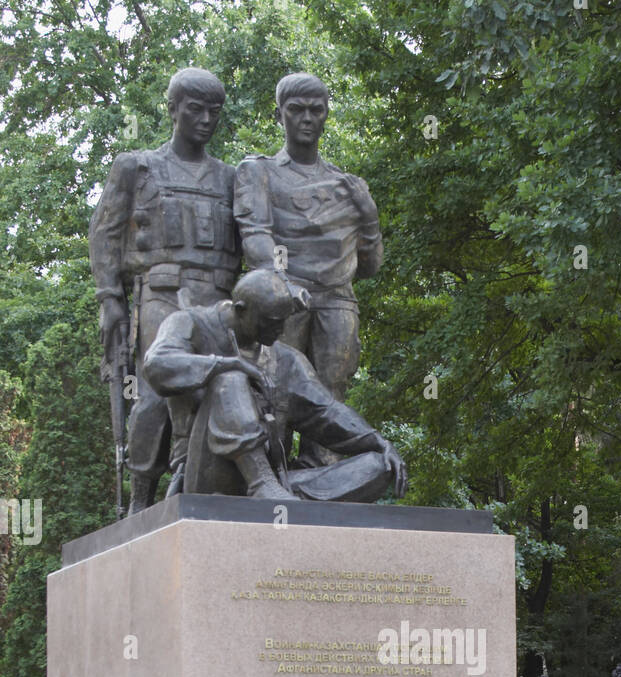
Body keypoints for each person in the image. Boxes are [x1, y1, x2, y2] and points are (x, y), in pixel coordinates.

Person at [89, 67, 240, 513]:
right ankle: (141, 498)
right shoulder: (137, 168)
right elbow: (104, 233)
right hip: (160, 294)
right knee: (159, 386)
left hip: (218, 300)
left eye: (215, 111)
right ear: (173, 109)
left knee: (221, 385)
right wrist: (109, 298)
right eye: (196, 109)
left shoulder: (232, 177)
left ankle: (199, 480)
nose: (206, 119)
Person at [142, 269, 407, 504]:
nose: (279, 330)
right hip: (209, 479)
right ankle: (260, 485)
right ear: (241, 309)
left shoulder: (286, 359)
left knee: (380, 465)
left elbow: (326, 413)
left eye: (283, 321)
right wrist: (225, 364)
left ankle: (277, 500)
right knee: (230, 378)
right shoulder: (189, 323)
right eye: (271, 322)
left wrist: (379, 442)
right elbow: (156, 365)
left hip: (280, 484)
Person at [233, 72, 382, 467]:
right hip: (283, 299)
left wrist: (369, 217)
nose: (307, 118)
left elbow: (369, 266)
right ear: (279, 114)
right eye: (296, 110)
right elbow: (256, 236)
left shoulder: (346, 185)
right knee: (275, 390)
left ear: (326, 115)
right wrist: (283, 283)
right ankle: (271, 471)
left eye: (316, 110)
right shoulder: (258, 171)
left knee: (332, 390)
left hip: (337, 300)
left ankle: (322, 472)